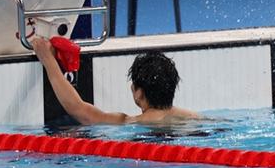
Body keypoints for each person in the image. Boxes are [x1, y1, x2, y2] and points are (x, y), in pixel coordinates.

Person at [32, 37, 200, 125]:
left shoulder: (128, 123)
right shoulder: (193, 118)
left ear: (139, 93)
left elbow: (77, 108)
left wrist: (48, 60)